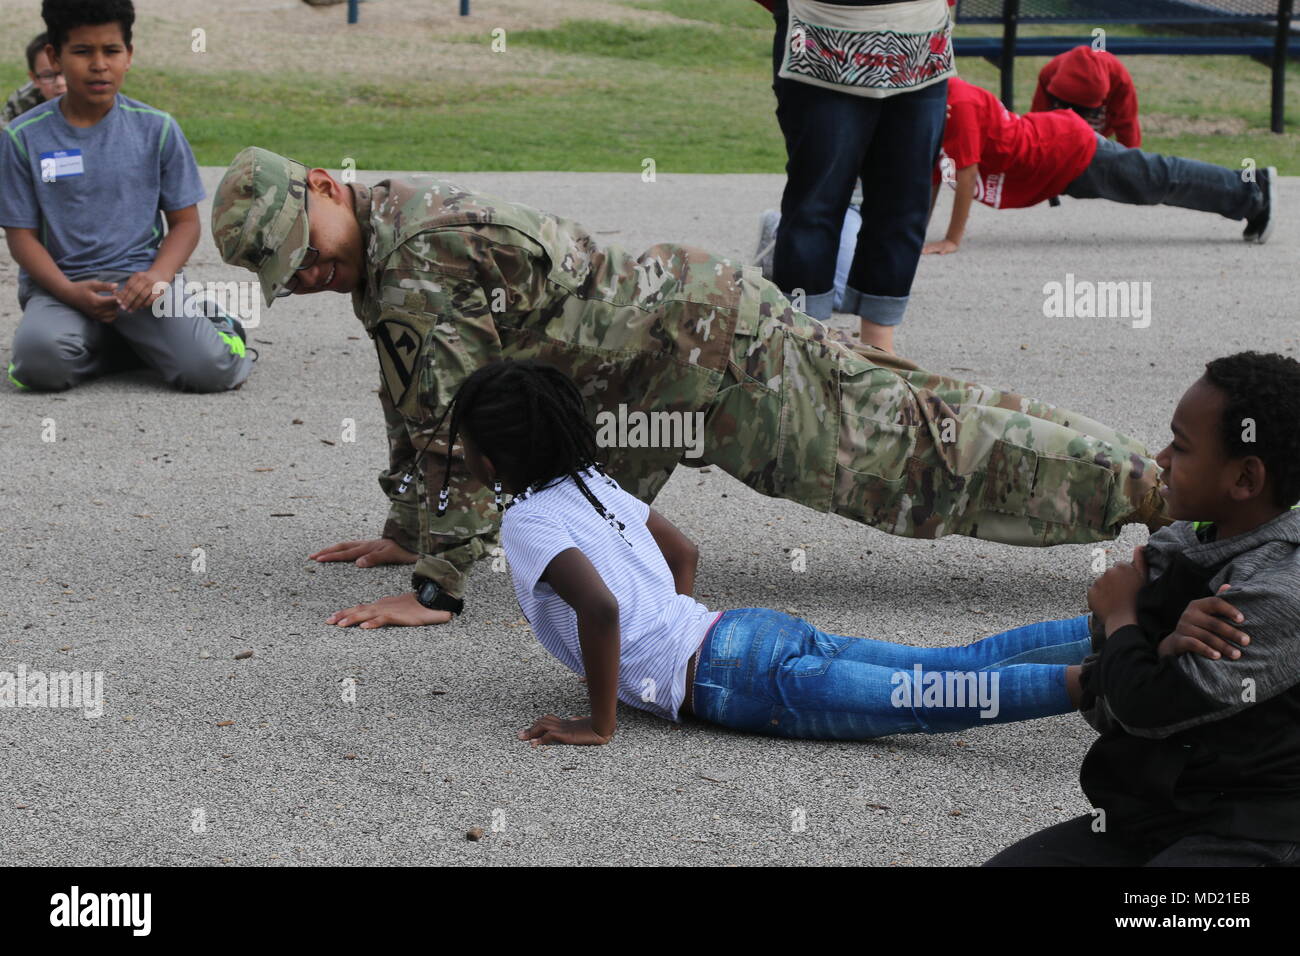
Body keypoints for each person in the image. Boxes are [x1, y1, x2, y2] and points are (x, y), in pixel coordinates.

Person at [211, 146, 1168, 630]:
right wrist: (406, 528)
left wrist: (438, 581)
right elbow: (415, 402)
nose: (302, 279)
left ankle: (1159, 490)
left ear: (327, 187)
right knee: (920, 416)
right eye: (285, 275)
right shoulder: (391, 240)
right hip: (694, 335)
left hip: (709, 363)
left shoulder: (417, 260)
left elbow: (462, 422)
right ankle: (1161, 474)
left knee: (917, 463)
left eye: (303, 256)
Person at [438, 358, 1099, 746]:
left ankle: (1113, 681)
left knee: (931, 697)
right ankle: (1108, 629)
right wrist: (676, 627)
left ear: (492, 461)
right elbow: (682, 550)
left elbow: (601, 610)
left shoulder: (525, 519)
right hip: (740, 631)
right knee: (949, 668)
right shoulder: (594, 484)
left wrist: (600, 721)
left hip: (732, 677)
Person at [987, 352, 1300, 866]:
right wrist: (1156, 644)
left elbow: (1147, 709)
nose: (1161, 459)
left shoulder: (1278, 591)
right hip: (1152, 818)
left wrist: (1123, 618)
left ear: (1245, 479)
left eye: (1181, 445)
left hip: (1256, 830)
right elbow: (1102, 697)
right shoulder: (1178, 545)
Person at [0, 0, 251, 393]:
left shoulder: (158, 129)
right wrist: (68, 292)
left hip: (143, 285)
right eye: (83, 52)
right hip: (62, 287)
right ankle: (131, 345)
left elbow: (185, 224)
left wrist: (158, 276)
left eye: (112, 51)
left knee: (207, 371)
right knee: (37, 366)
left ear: (129, 56)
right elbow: (21, 237)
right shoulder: (21, 137)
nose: (99, 64)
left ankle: (216, 326)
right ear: (55, 56)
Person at [763, 0, 954, 354]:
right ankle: (806, 347)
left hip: (921, 37)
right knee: (816, 201)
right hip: (820, 31)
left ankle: (880, 351)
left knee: (904, 200)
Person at [925, 77, 1274, 256]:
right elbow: (934, 174)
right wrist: (913, 232)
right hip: (1055, 158)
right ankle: (1248, 188)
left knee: (1157, 180)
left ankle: (1251, 189)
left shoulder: (957, 105)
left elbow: (965, 174)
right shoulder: (935, 106)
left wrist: (952, 239)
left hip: (1065, 152)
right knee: (1155, 180)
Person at [1030, 45, 1141, 148]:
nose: (1075, 121)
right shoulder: (1050, 72)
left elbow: (1127, 128)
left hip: (1098, 135)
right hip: (1057, 133)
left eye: (1083, 114)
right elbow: (1037, 122)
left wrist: (1132, 165)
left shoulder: (1120, 81)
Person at [1, 33, 66, 131]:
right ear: (34, 79)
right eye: (48, 75)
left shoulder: (95, 96)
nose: (60, 83)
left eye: (66, 72)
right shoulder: (20, 103)